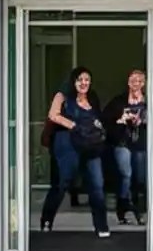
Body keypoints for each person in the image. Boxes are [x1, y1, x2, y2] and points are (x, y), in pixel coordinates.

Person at [40, 66, 111, 237]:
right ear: (73, 81)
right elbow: (53, 115)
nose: (84, 83)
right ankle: (47, 220)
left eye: (87, 79)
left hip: (89, 145)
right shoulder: (62, 96)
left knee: (97, 185)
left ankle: (101, 226)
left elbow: (96, 118)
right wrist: (74, 126)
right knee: (61, 184)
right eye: (80, 79)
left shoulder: (92, 98)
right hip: (67, 144)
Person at [103, 70, 147, 225]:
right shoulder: (119, 101)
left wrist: (142, 121)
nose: (136, 84)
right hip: (122, 142)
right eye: (133, 80)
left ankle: (138, 210)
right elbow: (105, 119)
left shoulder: (149, 102)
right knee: (125, 175)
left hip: (141, 143)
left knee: (140, 178)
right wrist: (121, 120)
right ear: (128, 83)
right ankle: (122, 207)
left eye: (140, 81)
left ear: (144, 83)